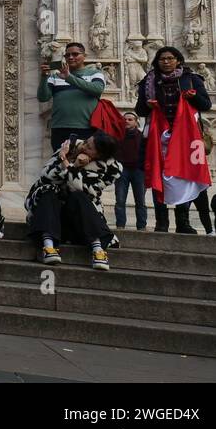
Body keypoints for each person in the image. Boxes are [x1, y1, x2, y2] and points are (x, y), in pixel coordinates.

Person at [135, 46, 212, 235]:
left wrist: (193, 98)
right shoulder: (149, 81)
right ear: (157, 61)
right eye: (162, 59)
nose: (166, 62)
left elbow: (206, 104)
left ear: (178, 60)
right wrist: (147, 104)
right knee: (157, 175)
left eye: (170, 58)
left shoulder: (191, 79)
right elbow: (140, 111)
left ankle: (182, 221)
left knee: (183, 175)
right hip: (157, 135)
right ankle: (161, 222)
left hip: (184, 136)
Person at [25, 130, 121, 270]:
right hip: (49, 213)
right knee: (49, 190)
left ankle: (98, 250)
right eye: (86, 142)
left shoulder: (110, 169)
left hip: (79, 219)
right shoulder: (69, 148)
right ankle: (48, 246)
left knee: (78, 196)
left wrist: (71, 166)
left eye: (89, 147)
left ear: (99, 155)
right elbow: (45, 176)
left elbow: (84, 191)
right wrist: (63, 159)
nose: (83, 146)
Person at [38, 42, 106, 151]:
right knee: (60, 163)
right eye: (67, 55)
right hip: (60, 129)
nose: (71, 57)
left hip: (86, 128)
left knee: (83, 163)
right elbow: (43, 97)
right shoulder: (55, 76)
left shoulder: (95, 73)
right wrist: (44, 76)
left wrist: (69, 77)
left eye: (75, 54)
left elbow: (97, 89)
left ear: (84, 56)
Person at [113, 110, 148, 231]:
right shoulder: (117, 136)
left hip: (138, 171)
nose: (127, 121)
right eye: (125, 119)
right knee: (120, 200)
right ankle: (120, 226)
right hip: (122, 170)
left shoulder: (142, 136)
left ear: (136, 122)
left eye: (130, 119)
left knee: (140, 201)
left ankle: (142, 226)